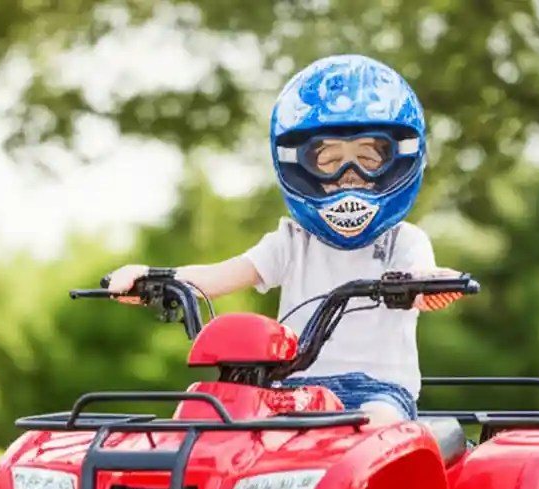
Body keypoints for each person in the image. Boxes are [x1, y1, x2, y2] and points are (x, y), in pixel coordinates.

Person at [105, 54, 461, 426]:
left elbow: (421, 278)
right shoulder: (292, 241)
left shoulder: (404, 241)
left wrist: (430, 285)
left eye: (367, 159)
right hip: (295, 391)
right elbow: (220, 275)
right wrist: (156, 277)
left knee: (372, 430)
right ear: (302, 165)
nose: (349, 175)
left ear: (398, 160)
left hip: (380, 392)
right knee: (243, 441)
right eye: (331, 161)